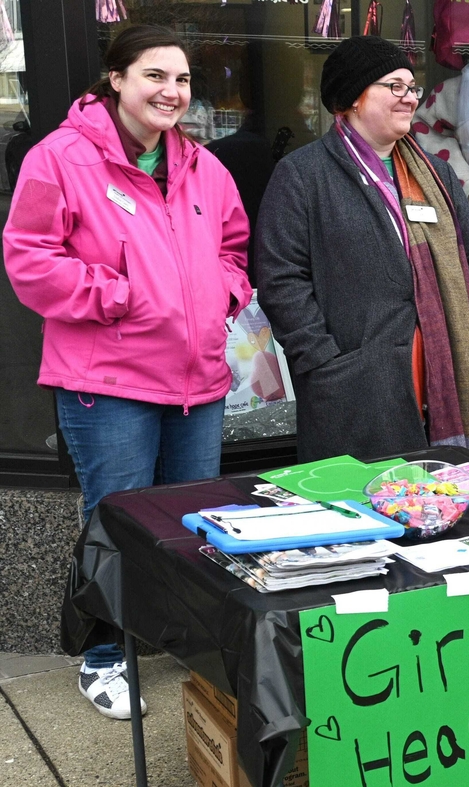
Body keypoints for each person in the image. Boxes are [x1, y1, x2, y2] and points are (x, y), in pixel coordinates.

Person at [2, 25, 251, 719]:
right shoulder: (61, 159)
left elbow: (233, 246)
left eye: (182, 79)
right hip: (108, 383)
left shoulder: (204, 165)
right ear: (116, 78)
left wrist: (222, 296)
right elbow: (29, 258)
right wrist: (119, 295)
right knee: (115, 521)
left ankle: (171, 637)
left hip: (196, 381)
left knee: (188, 519)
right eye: (155, 76)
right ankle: (104, 654)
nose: (172, 92)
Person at [257, 36, 469, 463]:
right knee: (359, 515)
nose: (409, 99)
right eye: (395, 86)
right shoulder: (302, 175)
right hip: (356, 387)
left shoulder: (437, 175)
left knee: (441, 506)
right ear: (351, 98)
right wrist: (324, 362)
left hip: (445, 378)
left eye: (412, 88)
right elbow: (281, 279)